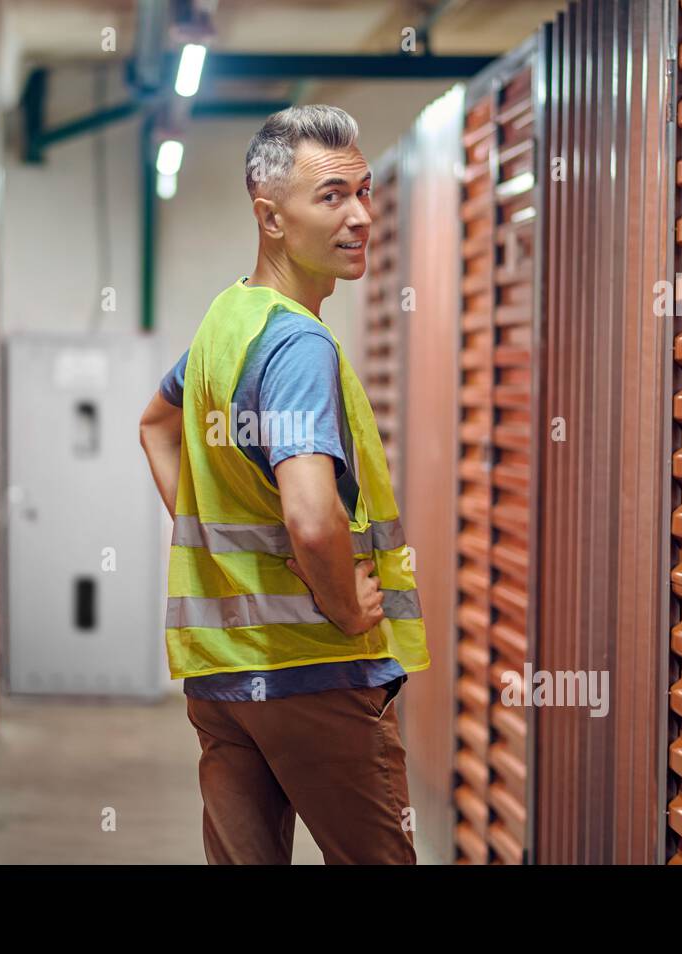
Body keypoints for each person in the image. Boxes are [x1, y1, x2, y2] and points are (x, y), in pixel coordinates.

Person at [138, 105, 429, 864]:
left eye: (363, 191)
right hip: (313, 672)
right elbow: (309, 514)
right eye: (332, 197)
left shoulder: (224, 322)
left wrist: (227, 550)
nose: (361, 214)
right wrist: (343, 605)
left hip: (224, 680)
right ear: (271, 217)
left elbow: (156, 427)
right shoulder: (298, 344)